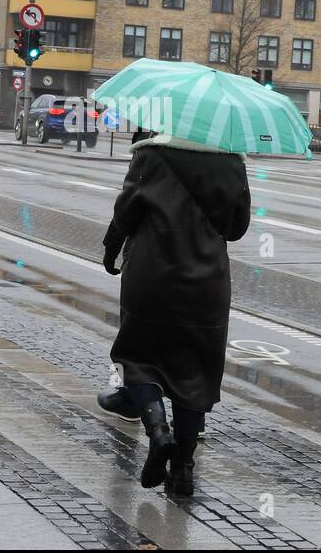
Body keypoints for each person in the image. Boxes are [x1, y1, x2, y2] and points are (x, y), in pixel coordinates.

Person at [100, 128, 252, 497]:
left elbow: (126, 212)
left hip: (151, 275)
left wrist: (111, 247)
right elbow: (237, 229)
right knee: (195, 369)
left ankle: (158, 432)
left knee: (138, 357)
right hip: (206, 282)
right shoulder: (231, 163)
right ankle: (183, 468)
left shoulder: (150, 156)